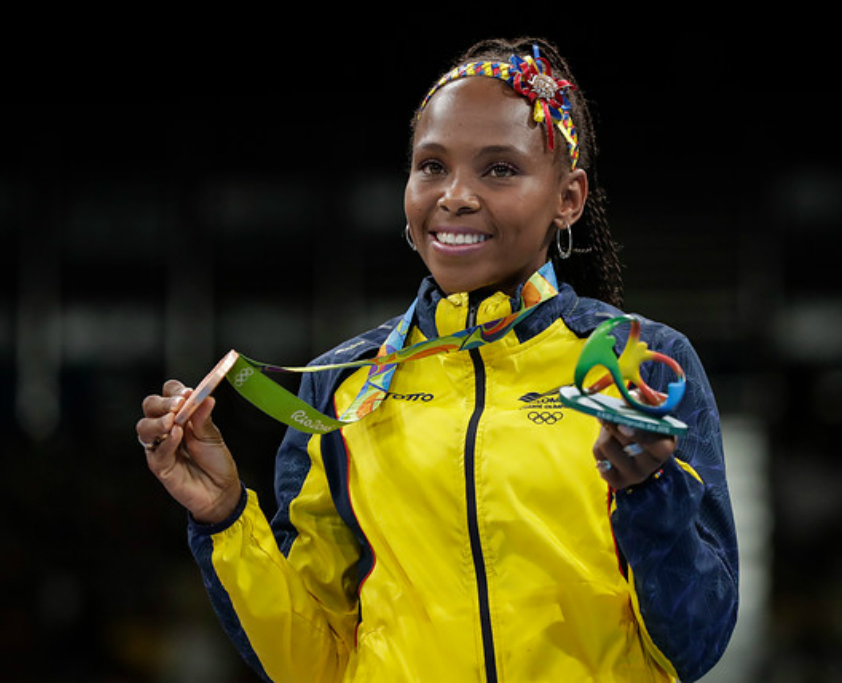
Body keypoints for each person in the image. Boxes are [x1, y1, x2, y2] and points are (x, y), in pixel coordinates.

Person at [136, 36, 738, 682]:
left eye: (498, 169)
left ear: (567, 197)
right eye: (431, 166)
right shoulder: (343, 386)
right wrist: (225, 515)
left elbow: (694, 644)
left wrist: (651, 495)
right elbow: (311, 663)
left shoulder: (640, 365)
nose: (454, 195)